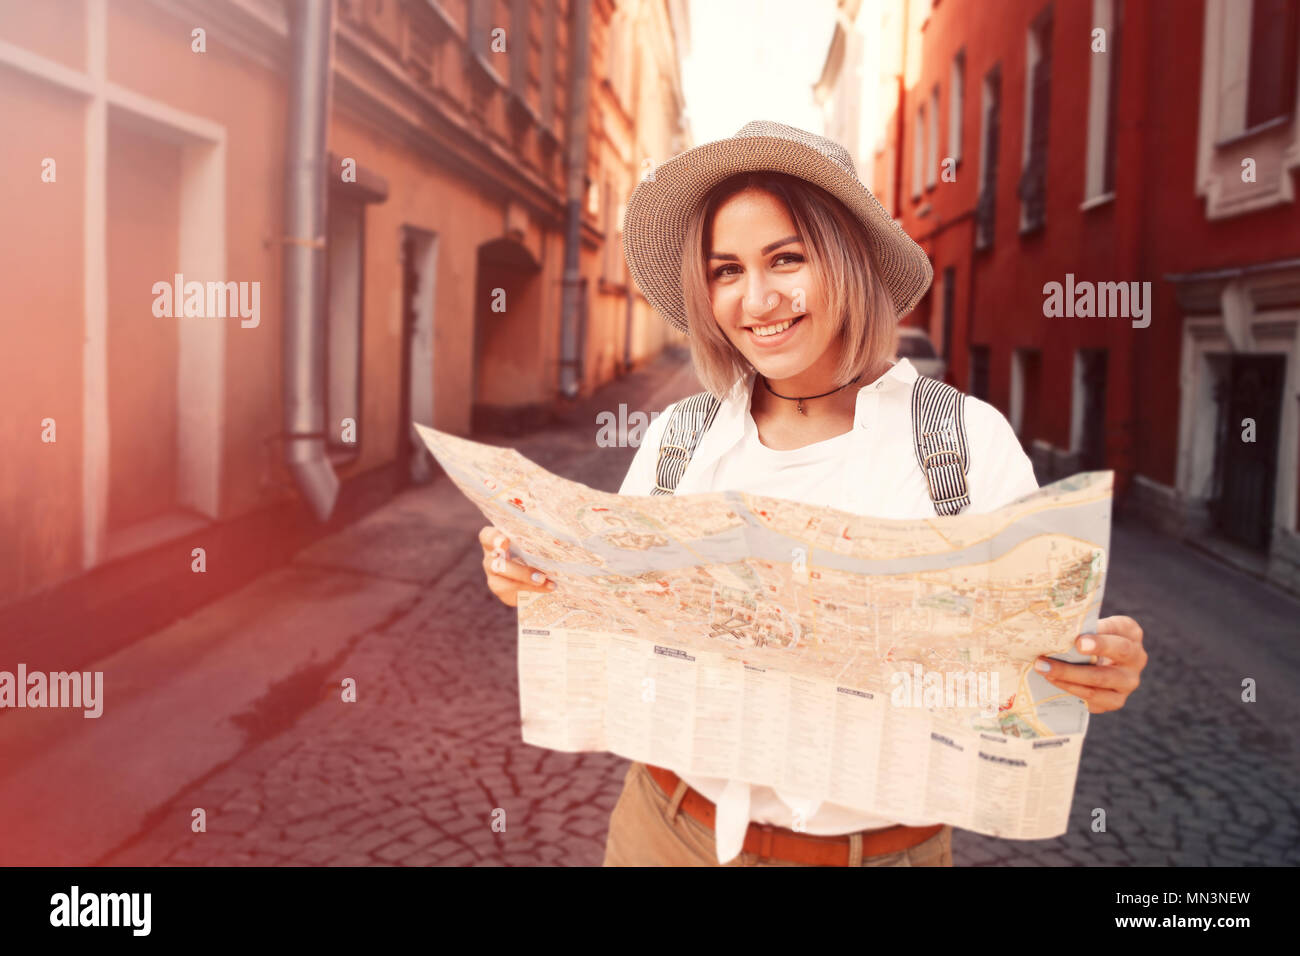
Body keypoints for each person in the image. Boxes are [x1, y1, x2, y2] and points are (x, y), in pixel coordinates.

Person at [477, 121, 1148, 867]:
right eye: (726, 270)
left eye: (786, 259)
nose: (756, 299)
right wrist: (534, 575)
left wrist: (1090, 664)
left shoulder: (963, 444)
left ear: (848, 260)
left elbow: (1035, 657)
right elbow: (614, 608)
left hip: (883, 854)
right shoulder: (681, 437)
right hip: (665, 833)